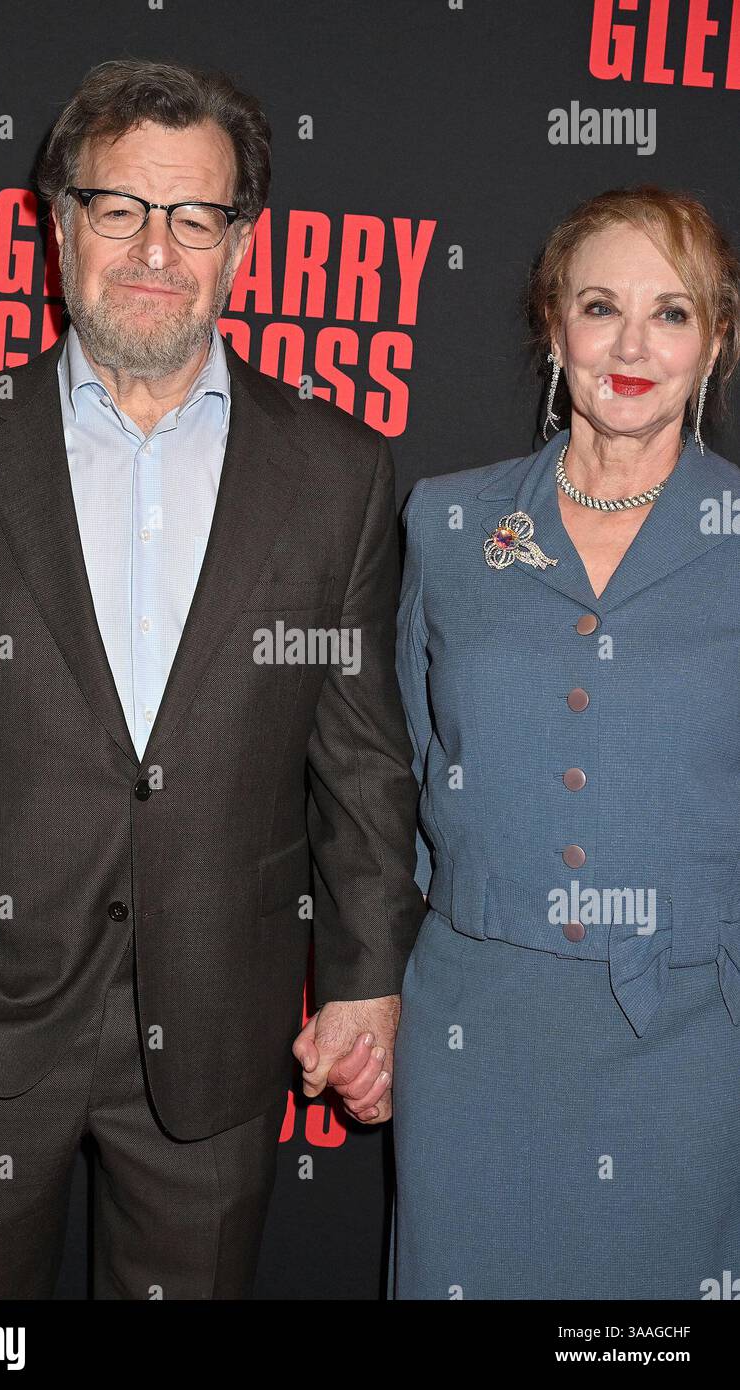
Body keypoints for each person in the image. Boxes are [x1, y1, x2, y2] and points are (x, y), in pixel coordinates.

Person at [0, 57, 425, 1299]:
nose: (153, 250)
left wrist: (365, 979)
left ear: (243, 243)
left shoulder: (336, 472)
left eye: (194, 217)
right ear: (59, 224)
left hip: (221, 1034)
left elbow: (359, 762)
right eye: (119, 209)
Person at [388, 185, 740, 1298]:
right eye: (599, 306)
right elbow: (399, 765)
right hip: (473, 1033)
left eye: (671, 312)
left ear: (714, 341)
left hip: (692, 1036)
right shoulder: (447, 524)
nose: (632, 345)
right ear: (552, 327)